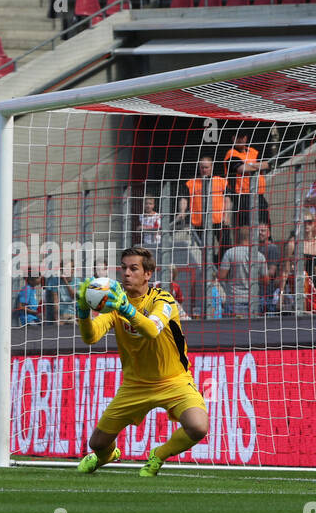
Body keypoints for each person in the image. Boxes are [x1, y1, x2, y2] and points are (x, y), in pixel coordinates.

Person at [75, 247, 209, 477]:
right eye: (124, 268)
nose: (126, 273)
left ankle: (159, 454)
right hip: (135, 386)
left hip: (174, 381)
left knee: (198, 427)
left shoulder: (163, 299)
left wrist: (126, 309)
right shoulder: (116, 304)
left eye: (133, 268)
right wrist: (83, 313)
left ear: (148, 274)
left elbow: (151, 330)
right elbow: (90, 337)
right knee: (96, 443)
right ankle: (106, 456)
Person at [217, 234, 266, 317]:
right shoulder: (259, 255)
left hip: (234, 299)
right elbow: (266, 280)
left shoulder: (230, 253)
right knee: (251, 328)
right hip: (252, 300)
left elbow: (221, 276)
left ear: (237, 238)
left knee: (232, 329)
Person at [185, 155, 227, 230]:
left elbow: (228, 199)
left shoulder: (221, 181)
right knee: (201, 242)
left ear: (212, 167)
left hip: (219, 221)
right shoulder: (191, 183)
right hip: (199, 222)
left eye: (206, 167)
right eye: (202, 168)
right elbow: (184, 199)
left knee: (225, 242)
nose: (204, 170)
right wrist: (182, 211)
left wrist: (227, 216)